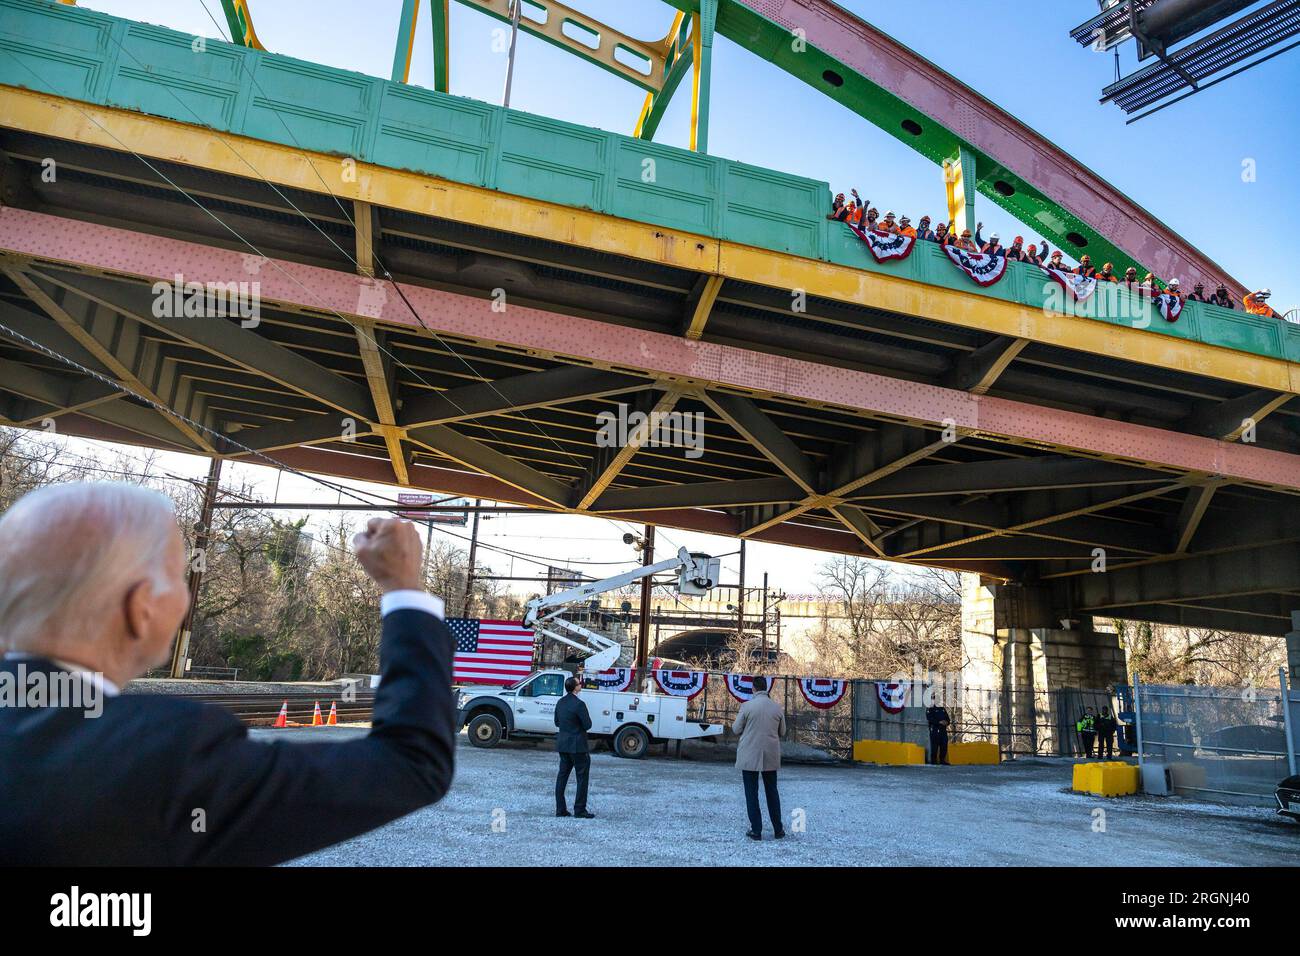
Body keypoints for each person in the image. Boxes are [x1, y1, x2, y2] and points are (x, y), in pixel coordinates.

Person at [0, 483, 456, 866]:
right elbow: (410, 765)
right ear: (141, 609)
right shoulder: (165, 752)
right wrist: (403, 591)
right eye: (179, 576)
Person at [731, 675, 785, 840]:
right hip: (770, 753)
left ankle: (756, 830)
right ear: (766, 688)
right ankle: (778, 829)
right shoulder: (777, 708)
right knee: (772, 791)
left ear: (753, 688)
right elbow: (782, 732)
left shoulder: (747, 706)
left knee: (751, 792)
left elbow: (735, 729)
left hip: (750, 753)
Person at [553, 675, 595, 819]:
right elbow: (588, 725)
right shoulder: (579, 704)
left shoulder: (560, 702)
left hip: (563, 744)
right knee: (582, 778)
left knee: (562, 777)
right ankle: (579, 809)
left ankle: (560, 809)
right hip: (578, 746)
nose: (580, 685)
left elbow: (557, 722)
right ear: (575, 687)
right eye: (579, 683)